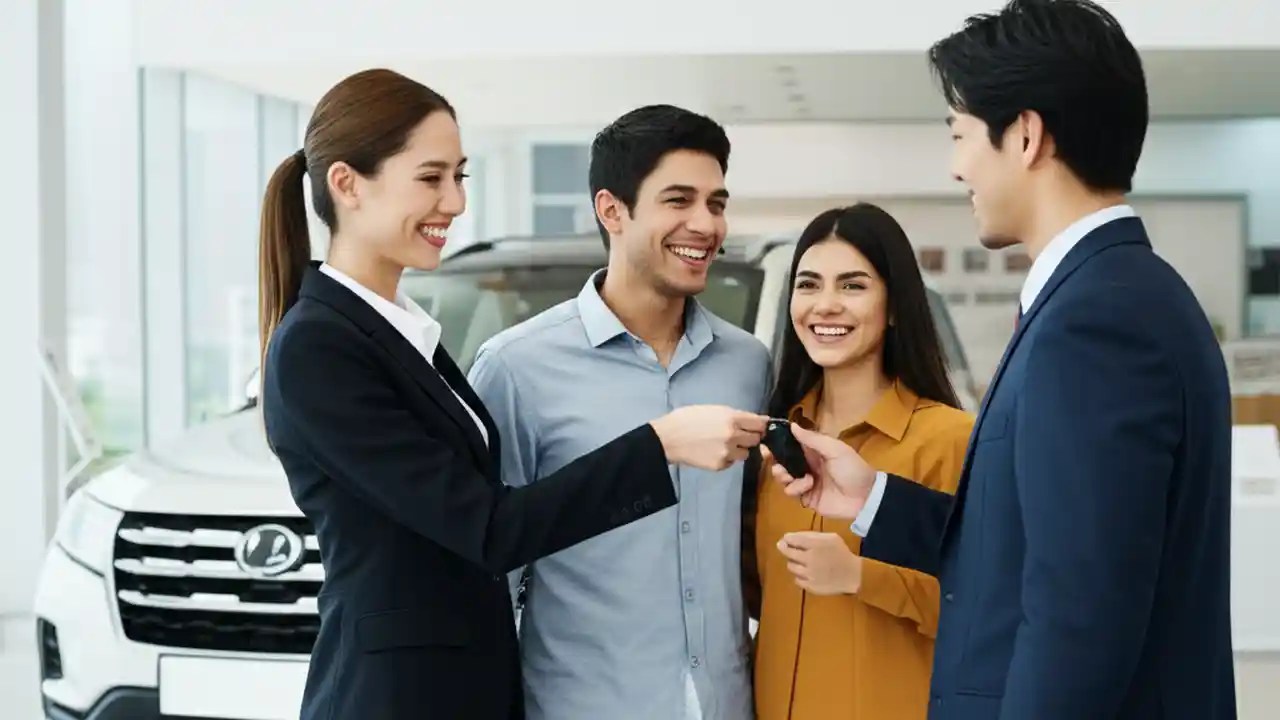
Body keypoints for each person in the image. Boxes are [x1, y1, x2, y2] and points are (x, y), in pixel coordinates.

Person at [766, 2, 1237, 719]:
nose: (957, 167)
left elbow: (1080, 615)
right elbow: (1035, 544)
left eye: (959, 135)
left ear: (1024, 135)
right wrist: (874, 500)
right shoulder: (1119, 293)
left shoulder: (1095, 321)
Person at [256, 70, 768, 720]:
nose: (455, 203)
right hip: (400, 698)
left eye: (460, 177)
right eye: (431, 177)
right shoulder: (321, 346)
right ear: (348, 185)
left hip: (461, 690)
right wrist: (660, 443)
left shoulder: (402, 333)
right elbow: (492, 530)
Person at [467, 104, 772, 720]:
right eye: (679, 200)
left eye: (716, 203)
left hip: (726, 703)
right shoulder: (516, 369)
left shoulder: (748, 364)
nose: (705, 224)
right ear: (612, 210)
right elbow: (488, 565)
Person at [743, 204, 974, 720]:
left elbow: (984, 604)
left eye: (852, 286)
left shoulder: (947, 439)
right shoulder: (776, 444)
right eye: (808, 285)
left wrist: (858, 576)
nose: (825, 305)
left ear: (894, 306)